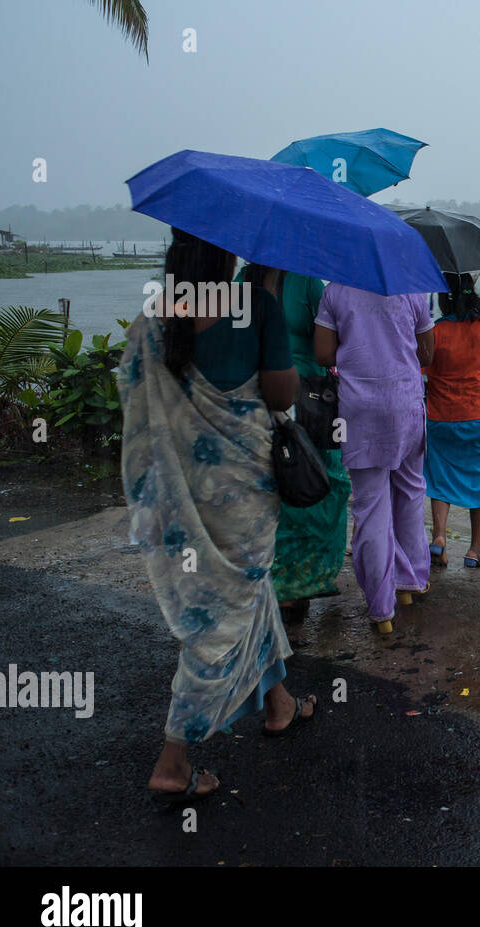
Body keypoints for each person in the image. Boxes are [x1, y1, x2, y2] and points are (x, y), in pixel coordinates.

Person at [119, 228, 315, 805]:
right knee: (221, 618)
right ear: (224, 254)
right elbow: (282, 395)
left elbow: (138, 391)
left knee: (245, 593)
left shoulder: (159, 312)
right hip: (243, 491)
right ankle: (172, 761)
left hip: (185, 488)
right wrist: (270, 302)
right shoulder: (252, 304)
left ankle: (279, 705)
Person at [313, 283, 433, 634]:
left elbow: (322, 354)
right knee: (411, 490)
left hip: (360, 408)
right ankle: (411, 581)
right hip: (406, 402)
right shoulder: (413, 290)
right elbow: (427, 354)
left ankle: (382, 609)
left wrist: (359, 349)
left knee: (370, 505)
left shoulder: (335, 292)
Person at [237, 263, 350, 626]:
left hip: (285, 399)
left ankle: (287, 584)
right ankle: (293, 584)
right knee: (303, 484)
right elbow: (331, 344)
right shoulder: (303, 283)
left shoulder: (256, 280)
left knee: (302, 483)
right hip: (285, 396)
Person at [424, 273, 480, 568]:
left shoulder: (435, 331)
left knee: (438, 478)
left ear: (443, 298)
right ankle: (475, 550)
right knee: (478, 477)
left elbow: (420, 367)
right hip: (478, 415)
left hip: (441, 416)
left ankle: (439, 538)